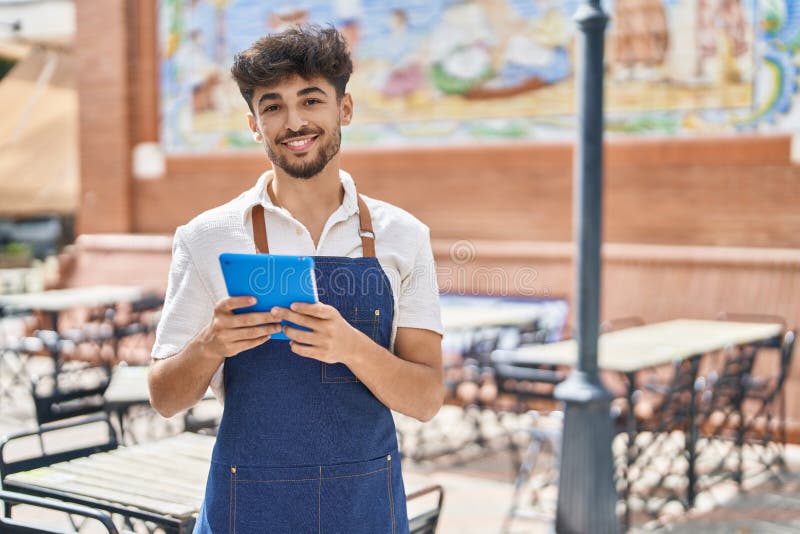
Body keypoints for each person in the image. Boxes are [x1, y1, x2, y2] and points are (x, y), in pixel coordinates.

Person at [147, 25, 445, 533]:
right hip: (248, 508)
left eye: (311, 100)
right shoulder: (206, 237)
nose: (294, 122)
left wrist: (350, 346)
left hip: (365, 508)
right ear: (254, 123)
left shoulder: (405, 237)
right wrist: (209, 345)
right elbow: (164, 399)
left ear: (344, 109)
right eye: (273, 107)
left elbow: (426, 398)